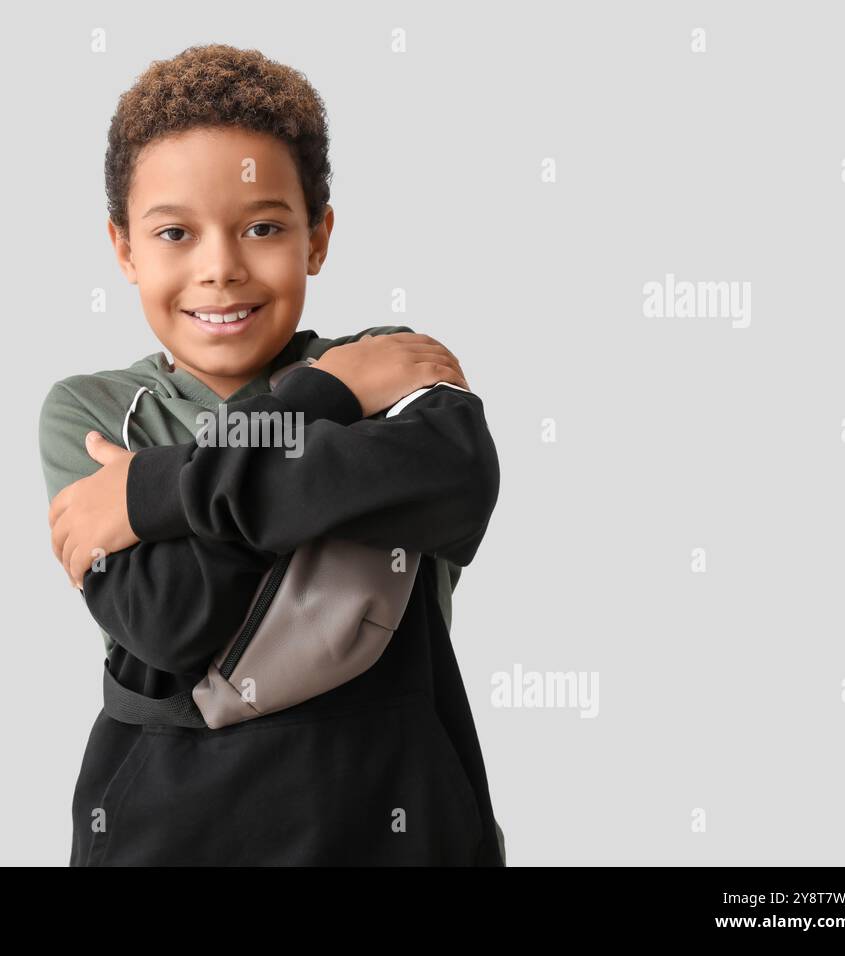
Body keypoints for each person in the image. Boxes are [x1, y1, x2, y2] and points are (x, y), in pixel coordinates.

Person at [39, 43, 504, 865]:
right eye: (175, 232)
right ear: (124, 248)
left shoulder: (388, 363)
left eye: (263, 227)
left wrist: (152, 494)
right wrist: (326, 413)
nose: (220, 269)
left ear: (317, 237)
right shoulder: (93, 412)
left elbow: (458, 483)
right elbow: (170, 619)